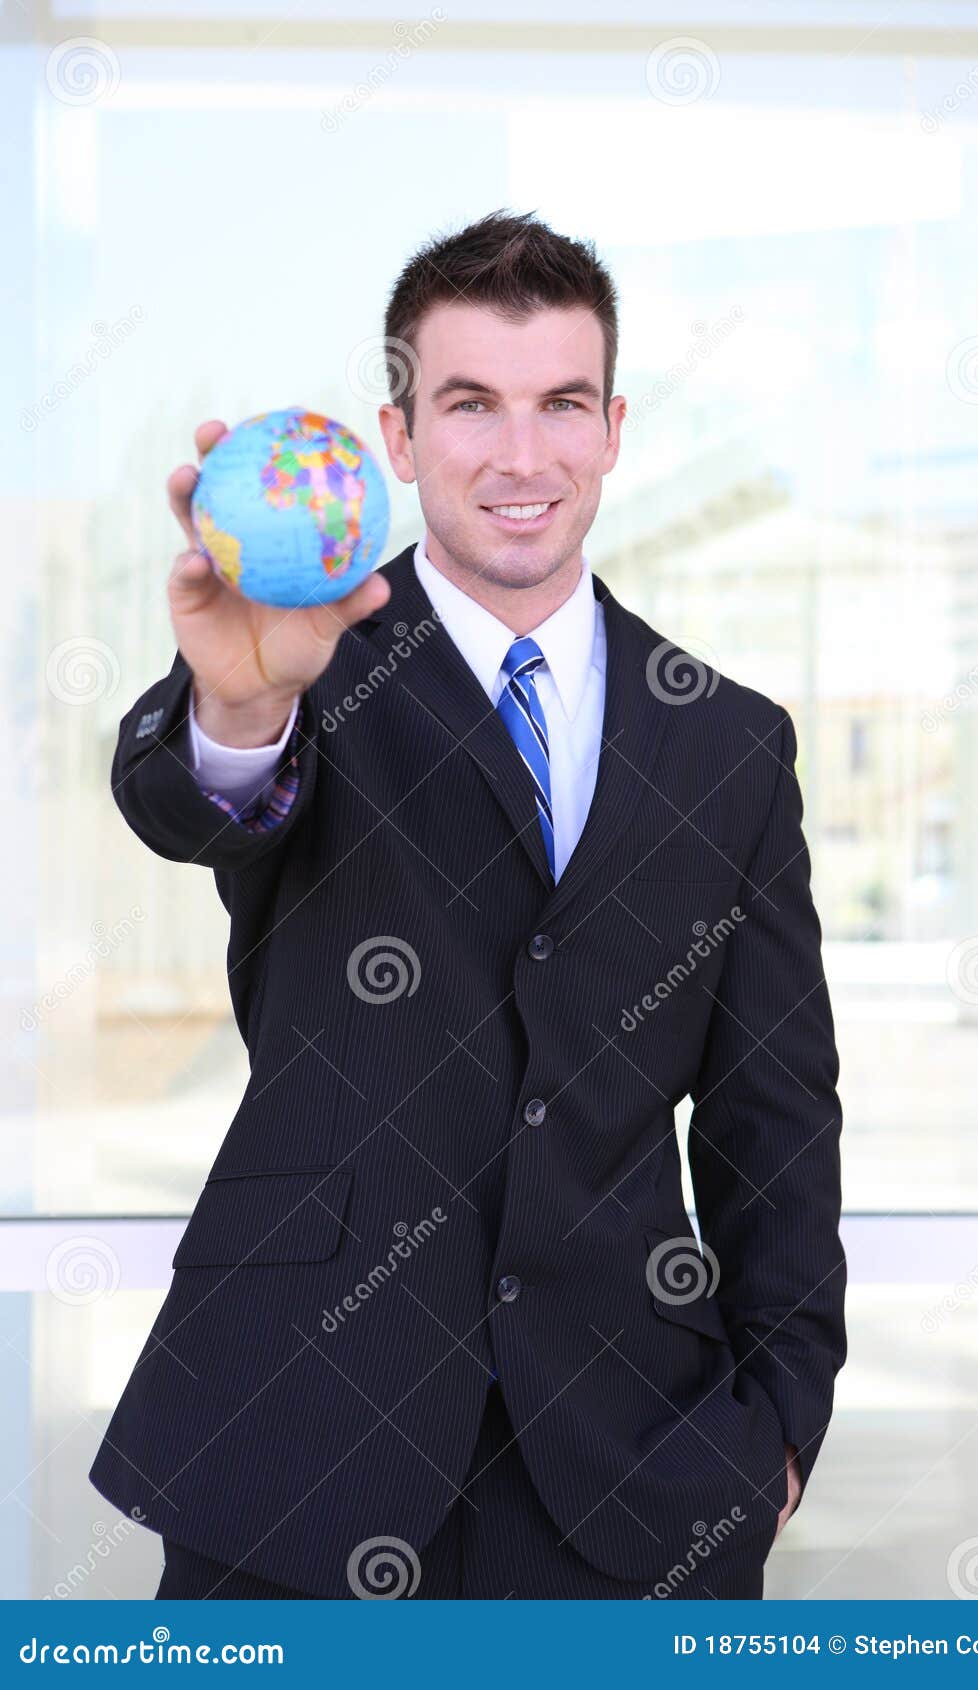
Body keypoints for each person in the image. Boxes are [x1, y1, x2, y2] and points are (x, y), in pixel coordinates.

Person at [89, 209, 846, 1600]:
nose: (520, 454)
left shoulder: (729, 744)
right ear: (398, 433)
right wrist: (241, 697)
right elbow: (186, 802)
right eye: (470, 405)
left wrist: (782, 1430)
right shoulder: (304, 667)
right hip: (298, 1459)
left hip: (635, 1479)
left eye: (561, 403)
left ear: (612, 428)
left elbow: (776, 1125)